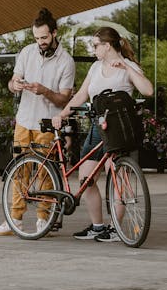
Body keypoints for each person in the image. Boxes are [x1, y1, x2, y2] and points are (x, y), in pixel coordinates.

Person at [52, 26, 153, 242]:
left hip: (119, 128)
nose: (93, 49)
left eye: (96, 45)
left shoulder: (129, 66)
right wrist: (62, 114)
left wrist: (126, 66)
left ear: (107, 46)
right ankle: (98, 227)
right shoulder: (96, 68)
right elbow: (81, 95)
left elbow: (147, 90)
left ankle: (116, 228)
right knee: (86, 178)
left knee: (117, 176)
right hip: (98, 127)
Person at [0, 8, 75, 236]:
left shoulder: (66, 61)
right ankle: (14, 219)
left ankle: (43, 219)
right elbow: (12, 81)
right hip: (24, 120)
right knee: (20, 171)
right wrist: (14, 84)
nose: (41, 42)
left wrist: (44, 90)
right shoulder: (27, 52)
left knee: (45, 174)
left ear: (55, 33)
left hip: (47, 124)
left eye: (44, 38)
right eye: (37, 38)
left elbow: (64, 98)